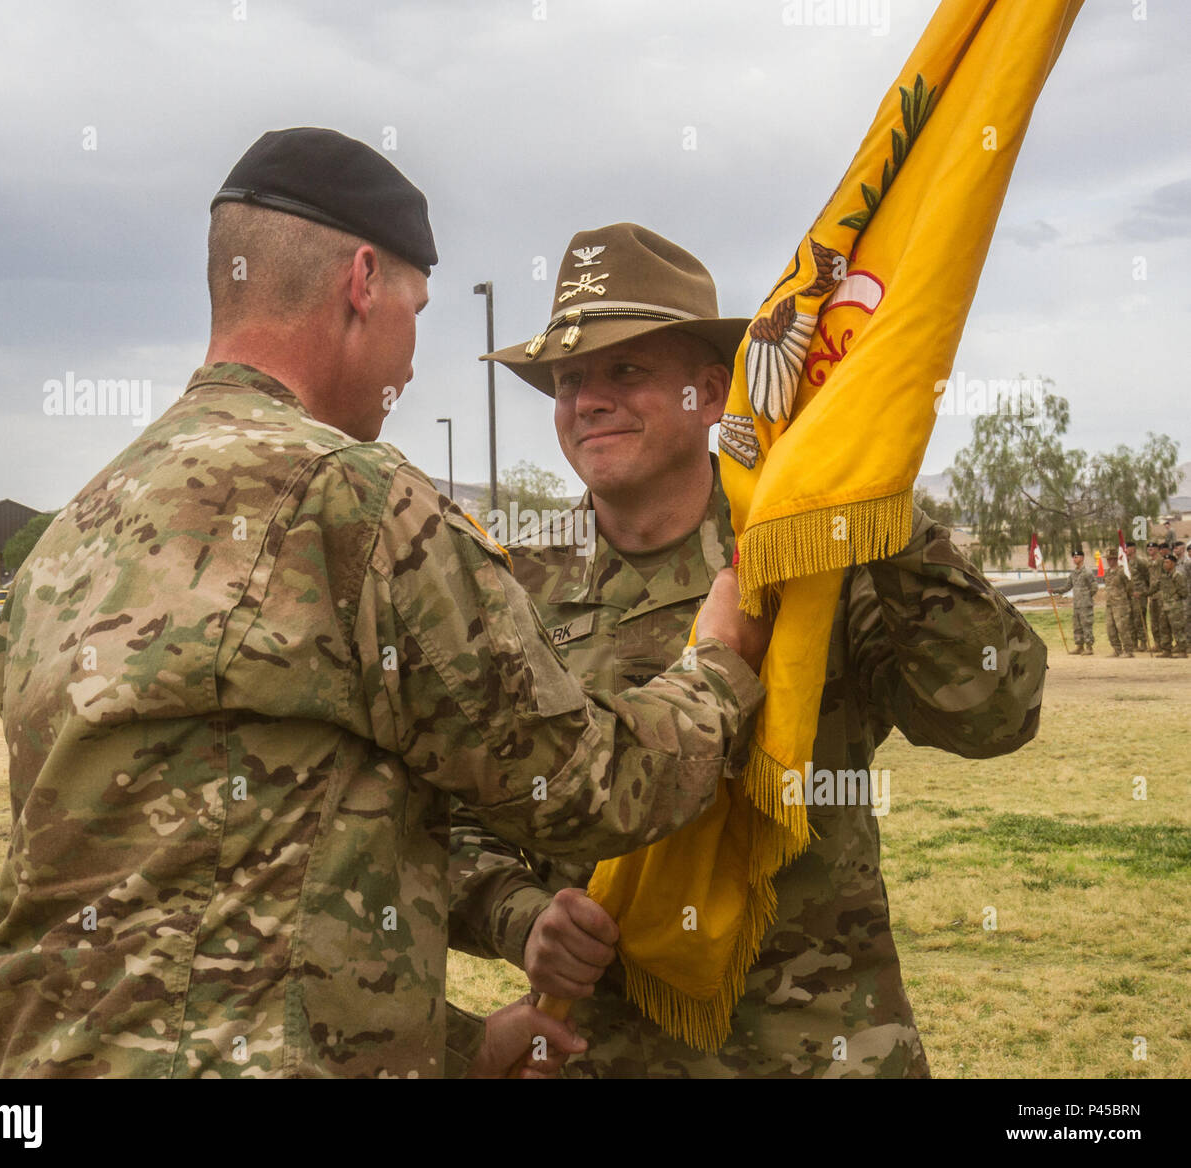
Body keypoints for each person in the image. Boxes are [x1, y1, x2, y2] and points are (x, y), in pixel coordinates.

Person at [0, 133, 771, 1079]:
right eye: (417, 313)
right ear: (362, 281)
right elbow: (585, 786)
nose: (416, 363)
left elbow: (170, 918)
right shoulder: (355, 501)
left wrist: (467, 1048)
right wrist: (717, 664)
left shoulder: (72, 535)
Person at [448, 223, 1049, 1077]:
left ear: (709, 392)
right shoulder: (514, 586)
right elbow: (452, 811)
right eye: (569, 380)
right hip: (601, 1054)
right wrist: (520, 916)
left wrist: (881, 505)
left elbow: (995, 714)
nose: (589, 400)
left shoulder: (811, 563)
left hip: (821, 1047)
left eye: (626, 370)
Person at [1102, 547, 1135, 658]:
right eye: (1108, 559)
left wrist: (1125, 598)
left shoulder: (1122, 571)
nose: (1109, 561)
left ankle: (1128, 650)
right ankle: (1117, 649)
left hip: (1121, 604)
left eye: (1111, 559)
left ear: (1116, 559)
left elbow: (1129, 587)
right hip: (1110, 604)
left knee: (1123, 628)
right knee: (1110, 628)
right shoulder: (1107, 573)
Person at [1155, 550, 1189, 658]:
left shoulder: (1177, 575)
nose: (1165, 564)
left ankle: (1182, 651)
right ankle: (1166, 650)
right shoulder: (1165, 576)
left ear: (1173, 564)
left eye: (1167, 562)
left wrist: (1174, 598)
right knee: (1164, 629)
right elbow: (1157, 588)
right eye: (1164, 562)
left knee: (1177, 629)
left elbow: (1184, 592)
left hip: (1175, 607)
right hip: (1165, 606)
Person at [1068, 546, 1096, 655]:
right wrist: (1055, 591)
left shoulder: (1087, 572)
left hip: (1085, 605)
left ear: (1082, 558)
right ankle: (1079, 646)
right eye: (1073, 557)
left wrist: (1087, 597)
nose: (1075, 559)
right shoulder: (1073, 573)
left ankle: (1089, 647)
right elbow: (1068, 586)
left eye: (1077, 557)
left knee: (1086, 625)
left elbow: (1094, 587)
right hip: (1076, 605)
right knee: (1077, 626)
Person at [1124, 541, 1149, 652]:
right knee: (1130, 619)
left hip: (1139, 594)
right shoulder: (1125, 563)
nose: (1126, 550)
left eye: (1127, 548)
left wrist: (1144, 592)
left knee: (1140, 618)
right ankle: (1134, 643)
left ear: (1133, 549)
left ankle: (1143, 642)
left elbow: (1147, 577)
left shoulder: (1140, 561)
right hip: (1129, 595)